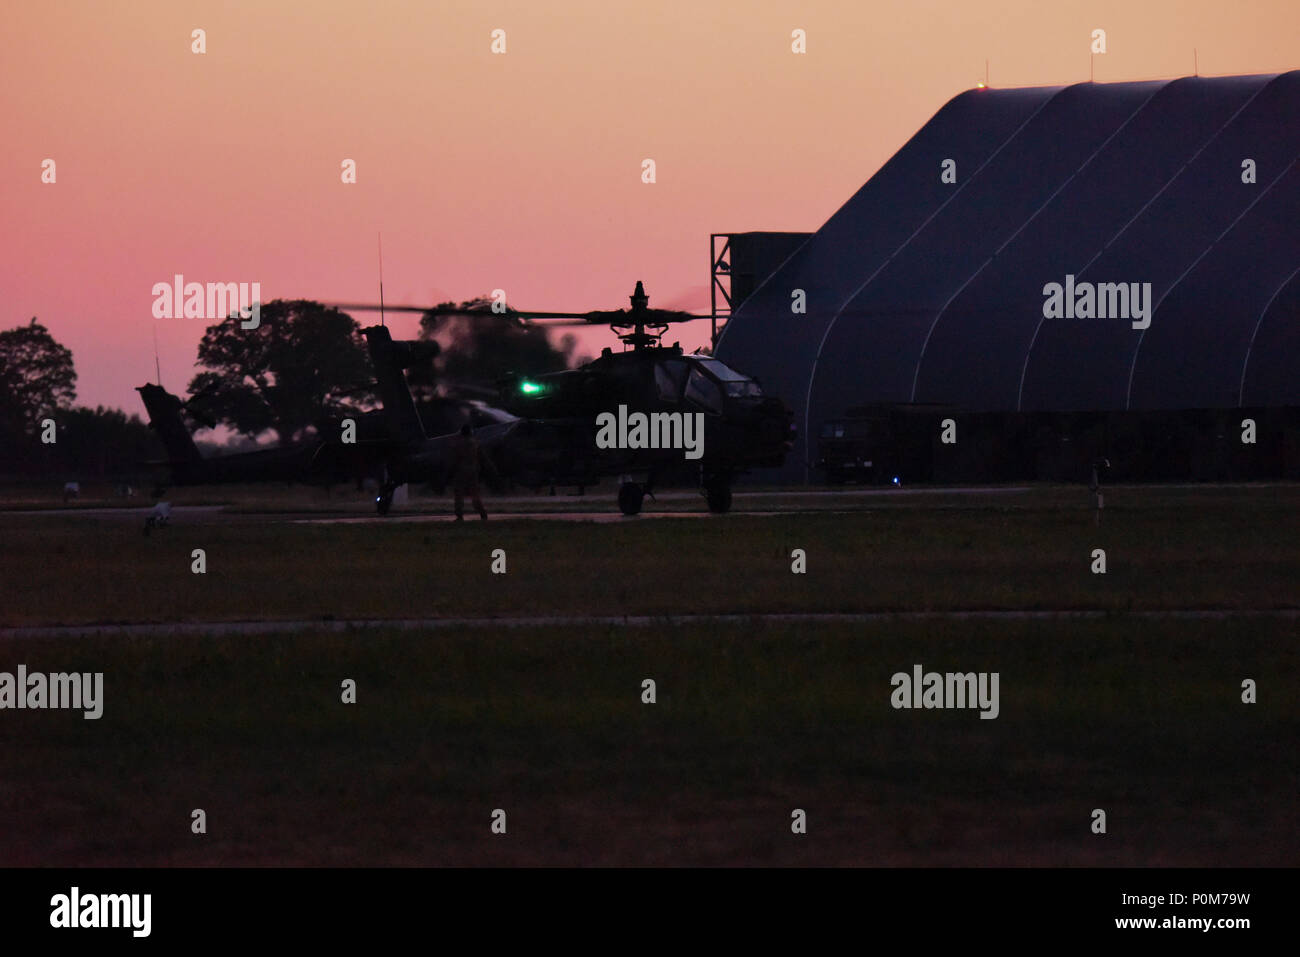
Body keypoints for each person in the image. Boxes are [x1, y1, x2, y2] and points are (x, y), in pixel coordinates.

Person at [449, 424, 490, 520]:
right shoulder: (476, 443)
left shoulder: (458, 444)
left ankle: (459, 515)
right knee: (474, 493)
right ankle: (482, 513)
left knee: (459, 494)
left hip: (461, 471)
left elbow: (454, 459)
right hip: (474, 471)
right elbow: (483, 457)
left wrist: (450, 471)